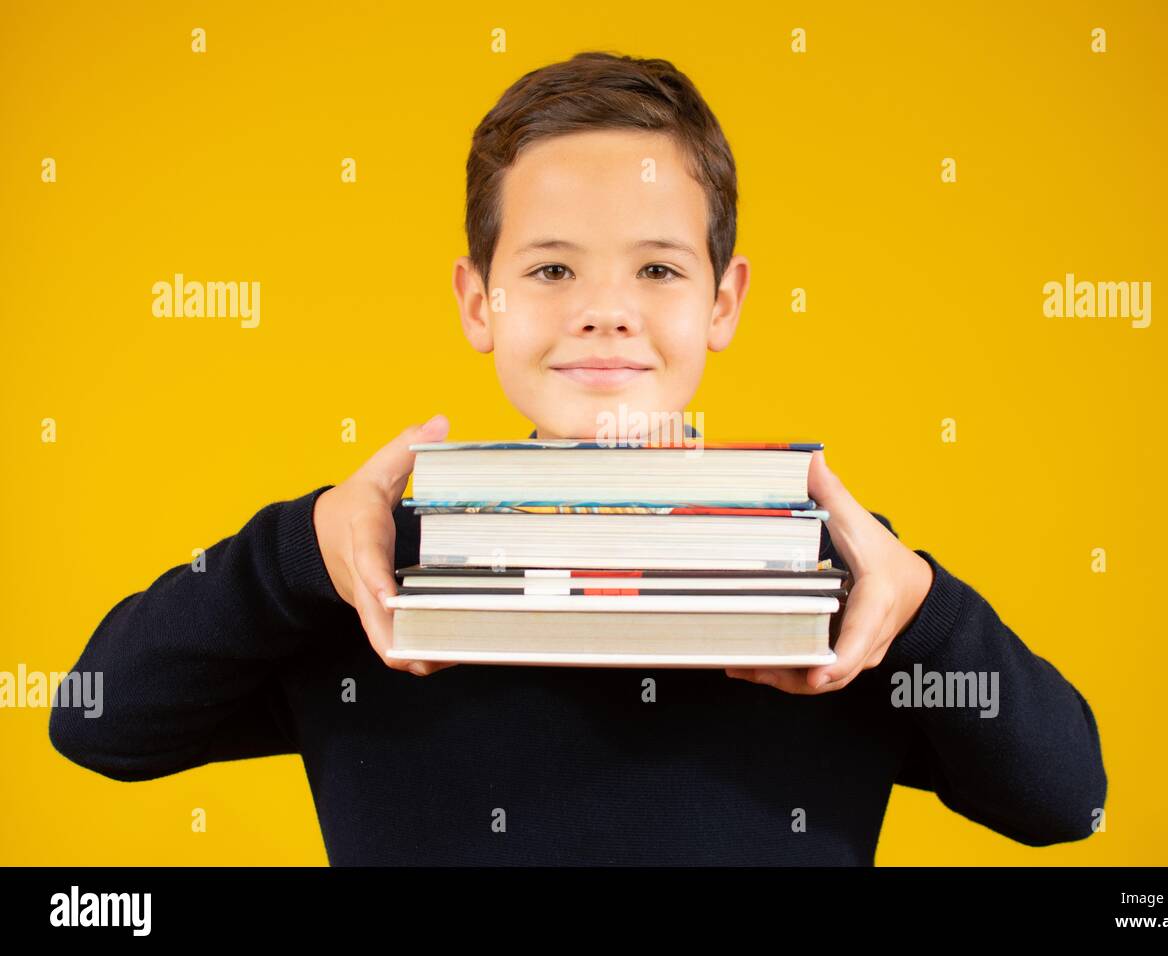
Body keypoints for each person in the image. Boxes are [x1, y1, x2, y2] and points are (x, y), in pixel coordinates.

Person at [50, 51, 1106, 865]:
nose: (605, 312)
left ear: (723, 298)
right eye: (551, 266)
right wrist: (295, 548)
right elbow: (98, 719)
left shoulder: (841, 583)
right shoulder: (368, 575)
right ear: (479, 299)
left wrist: (925, 607)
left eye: (656, 266)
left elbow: (1067, 799)